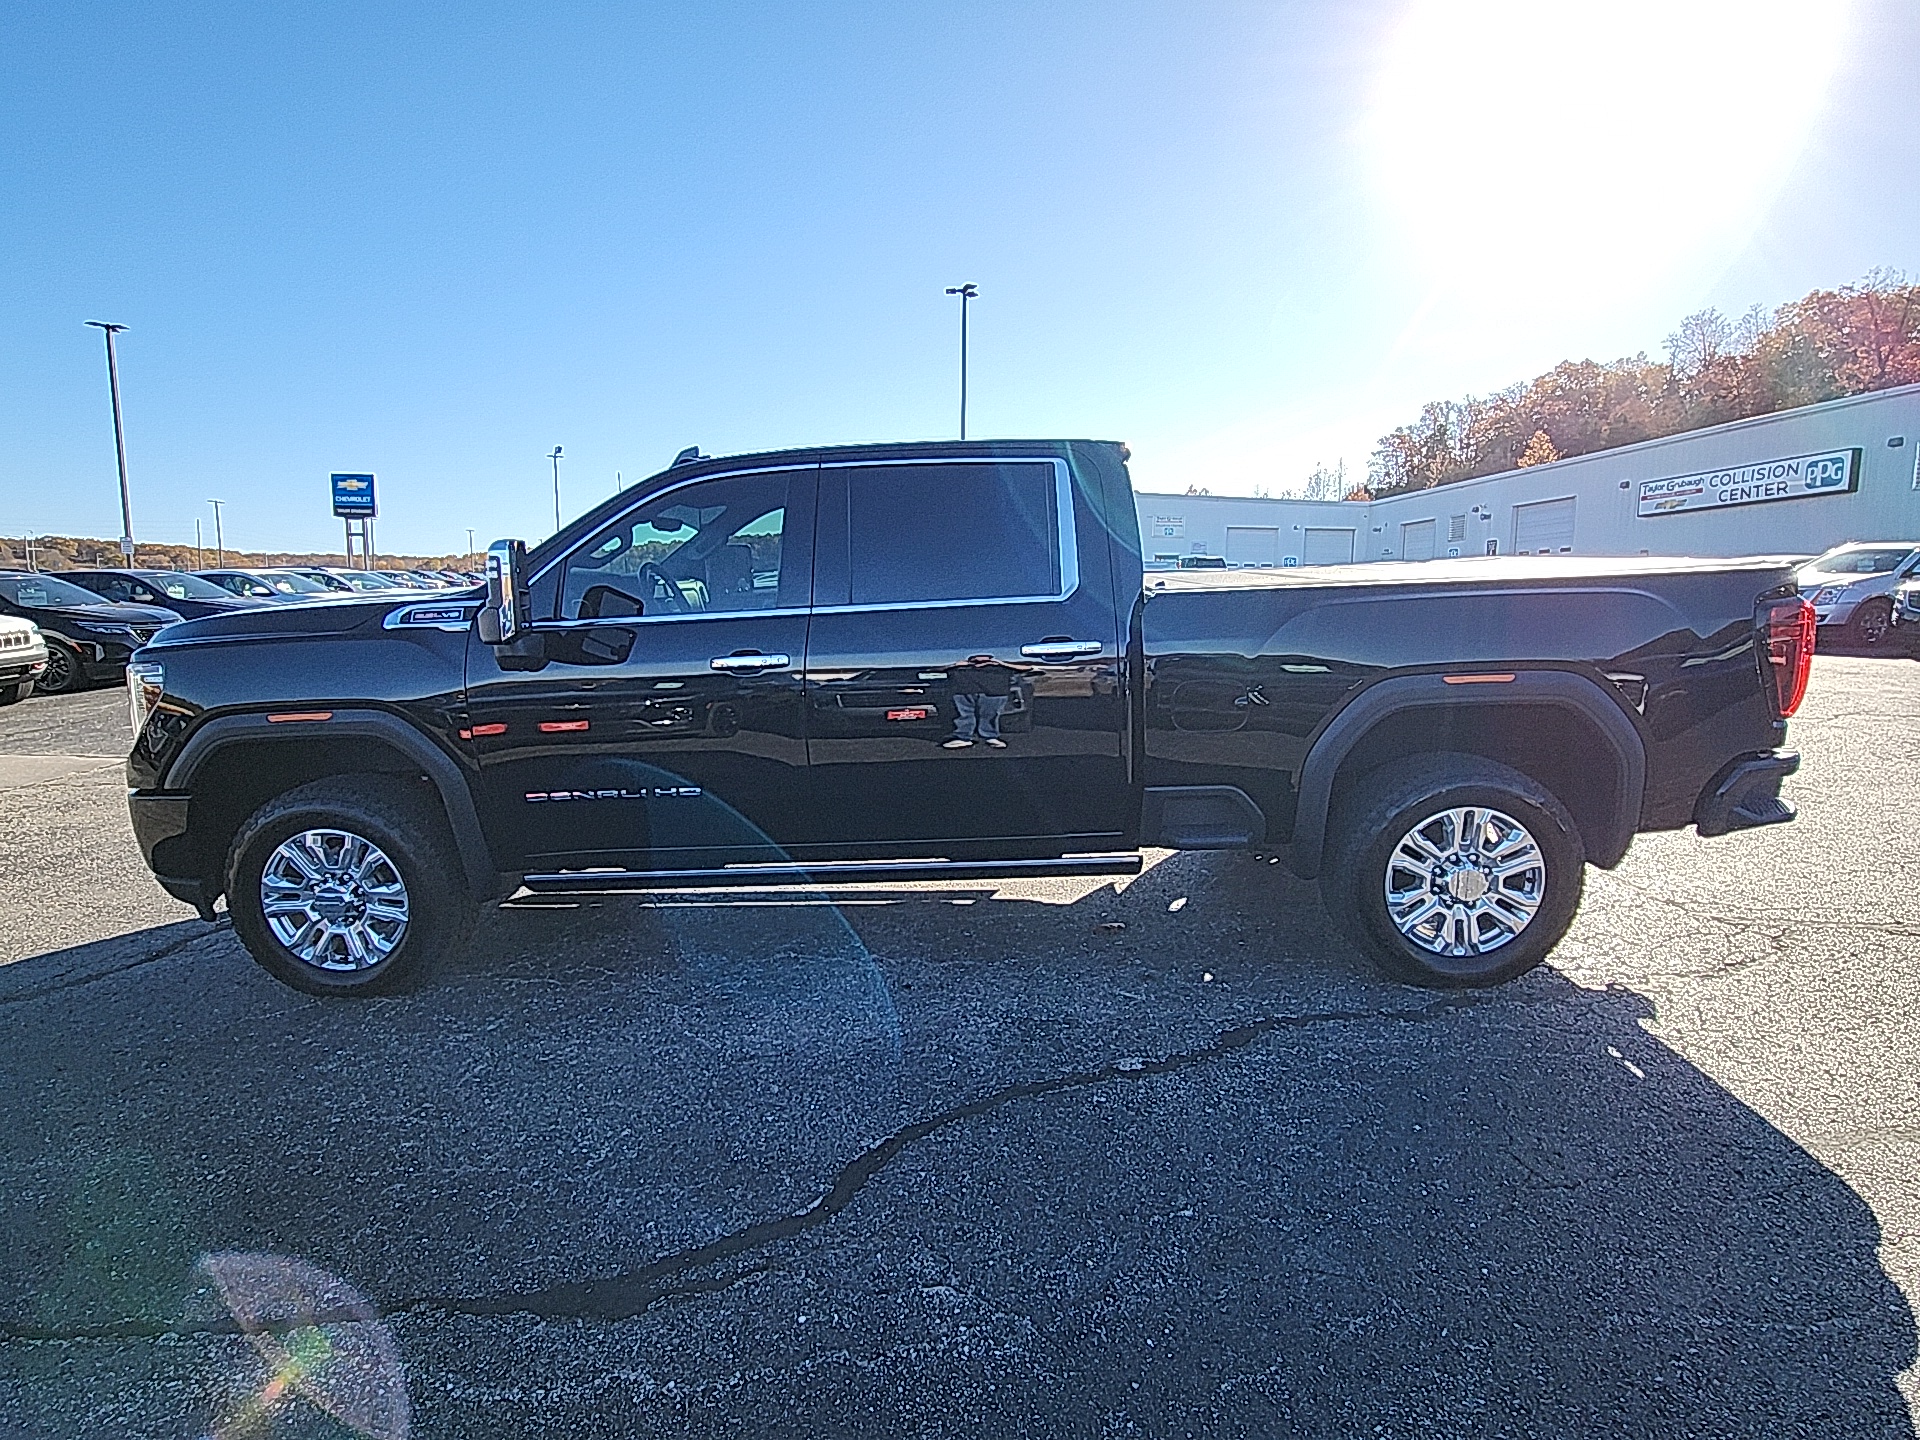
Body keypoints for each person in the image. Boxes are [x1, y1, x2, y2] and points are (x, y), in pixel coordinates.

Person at [943, 653, 1015, 748]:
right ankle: (963, 737)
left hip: (995, 692)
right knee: (964, 715)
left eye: (985, 659)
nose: (981, 661)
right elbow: (933, 670)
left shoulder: (1000, 666)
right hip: (963, 691)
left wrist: (1001, 663)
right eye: (976, 659)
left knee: (990, 715)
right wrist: (954, 665)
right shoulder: (961, 667)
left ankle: (991, 736)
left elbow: (1028, 667)